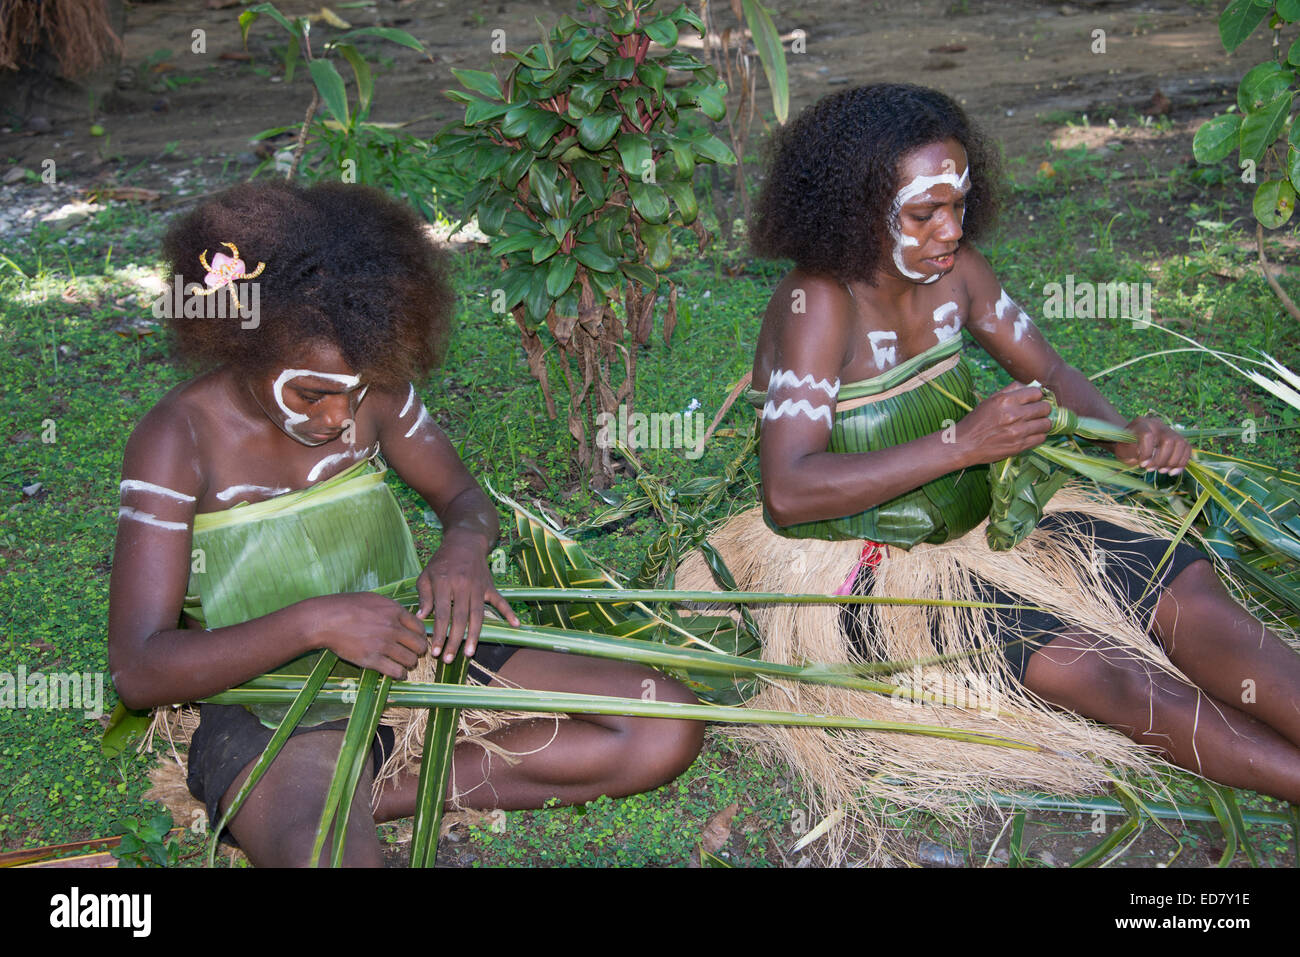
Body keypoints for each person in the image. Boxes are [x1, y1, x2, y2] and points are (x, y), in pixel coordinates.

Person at [676, 83, 1300, 857]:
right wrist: (959, 445)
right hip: (866, 566)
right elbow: (790, 490)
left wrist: (1125, 435)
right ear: (855, 207)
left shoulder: (959, 273)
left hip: (992, 518)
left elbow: (1055, 375)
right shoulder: (817, 305)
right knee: (1103, 674)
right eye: (923, 214)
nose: (949, 231)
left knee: (1195, 603)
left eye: (959, 206)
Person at [108, 181, 703, 867]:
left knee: (664, 728)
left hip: (413, 651)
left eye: (355, 394)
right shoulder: (176, 438)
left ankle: (367, 791)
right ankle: (316, 801)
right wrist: (314, 622)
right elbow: (140, 668)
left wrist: (464, 546)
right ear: (244, 345)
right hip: (272, 703)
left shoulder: (373, 390)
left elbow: (463, 497)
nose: (338, 420)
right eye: (311, 394)